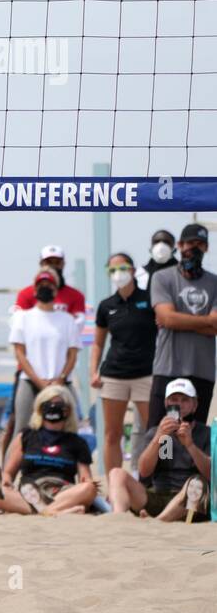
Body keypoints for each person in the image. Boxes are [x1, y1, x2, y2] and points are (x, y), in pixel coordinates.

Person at [107, 378, 210, 520]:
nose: (179, 404)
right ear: (166, 403)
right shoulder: (161, 434)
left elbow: (211, 474)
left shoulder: (206, 433)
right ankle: (118, 519)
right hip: (160, 496)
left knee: (197, 483)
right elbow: (144, 471)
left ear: (195, 404)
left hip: (191, 503)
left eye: (184, 400)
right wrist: (159, 437)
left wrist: (190, 445)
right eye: (174, 400)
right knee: (116, 473)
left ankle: (159, 521)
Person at [90, 252, 155, 474]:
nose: (118, 274)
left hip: (147, 374)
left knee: (159, 432)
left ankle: (162, 481)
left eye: (123, 268)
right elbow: (98, 343)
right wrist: (94, 372)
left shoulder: (151, 298)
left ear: (133, 270)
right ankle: (114, 485)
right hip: (114, 375)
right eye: (112, 270)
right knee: (111, 434)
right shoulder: (106, 306)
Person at [148, 222, 217, 429]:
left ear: (206, 248)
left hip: (201, 371)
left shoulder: (214, 282)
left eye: (200, 244)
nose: (194, 248)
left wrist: (176, 320)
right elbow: (167, 318)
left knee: (193, 431)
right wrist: (207, 322)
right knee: (166, 430)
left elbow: (171, 319)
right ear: (180, 245)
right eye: (189, 243)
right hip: (169, 369)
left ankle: (188, 463)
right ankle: (167, 462)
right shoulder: (162, 277)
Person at [0, 386, 97, 515]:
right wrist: (5, 481)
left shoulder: (77, 442)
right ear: (39, 408)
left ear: (68, 410)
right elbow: (8, 473)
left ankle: (46, 510)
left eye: (58, 404)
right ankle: (52, 510)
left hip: (62, 491)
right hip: (30, 491)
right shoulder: (26, 436)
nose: (53, 407)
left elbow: (85, 479)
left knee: (90, 488)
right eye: (48, 404)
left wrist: (87, 485)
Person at [8, 270, 81, 441]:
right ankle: (9, 468)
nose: (45, 288)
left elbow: (72, 354)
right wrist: (39, 382)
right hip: (30, 382)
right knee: (21, 429)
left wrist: (60, 379)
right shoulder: (23, 318)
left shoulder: (67, 320)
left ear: (56, 290)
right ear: (35, 290)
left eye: (49, 285)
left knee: (71, 427)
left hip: (62, 383)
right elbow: (20, 353)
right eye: (41, 285)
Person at [13, 245, 87, 319]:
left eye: (57, 262)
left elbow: (76, 325)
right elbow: (19, 322)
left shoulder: (76, 296)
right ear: (41, 264)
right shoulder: (25, 295)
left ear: (63, 264)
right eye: (48, 262)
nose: (52, 266)